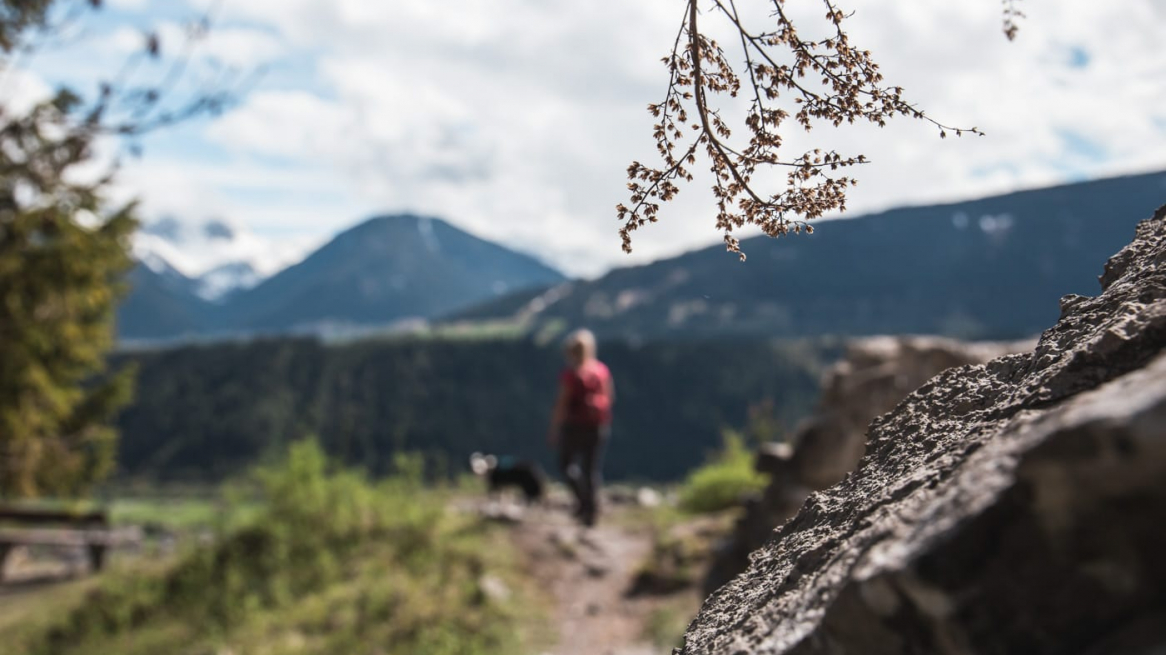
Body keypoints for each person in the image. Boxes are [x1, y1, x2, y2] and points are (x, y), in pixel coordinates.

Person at [548, 328, 614, 527]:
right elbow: (609, 398)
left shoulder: (571, 375)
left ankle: (582, 501)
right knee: (591, 469)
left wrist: (554, 428)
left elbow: (562, 403)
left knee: (566, 465)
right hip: (598, 426)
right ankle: (590, 509)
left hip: (574, 426)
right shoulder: (601, 371)